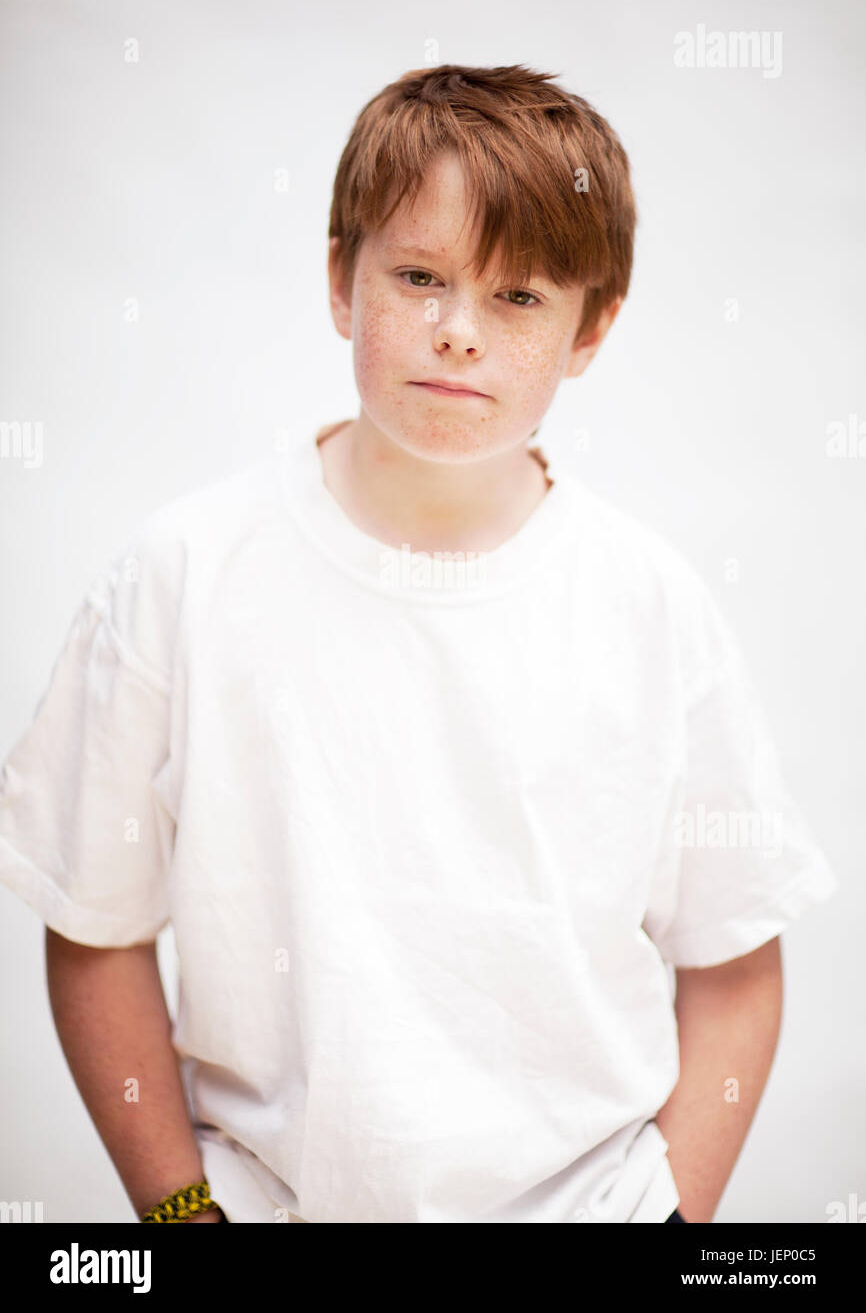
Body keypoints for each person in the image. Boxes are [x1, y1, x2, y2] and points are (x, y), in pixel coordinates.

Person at [0, 64, 838, 1224]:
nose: (456, 334)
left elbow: (735, 956)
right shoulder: (182, 574)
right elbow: (93, 925)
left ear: (591, 327)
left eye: (519, 298)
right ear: (340, 280)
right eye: (417, 276)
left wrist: (670, 1222)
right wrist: (182, 1220)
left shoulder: (647, 603)